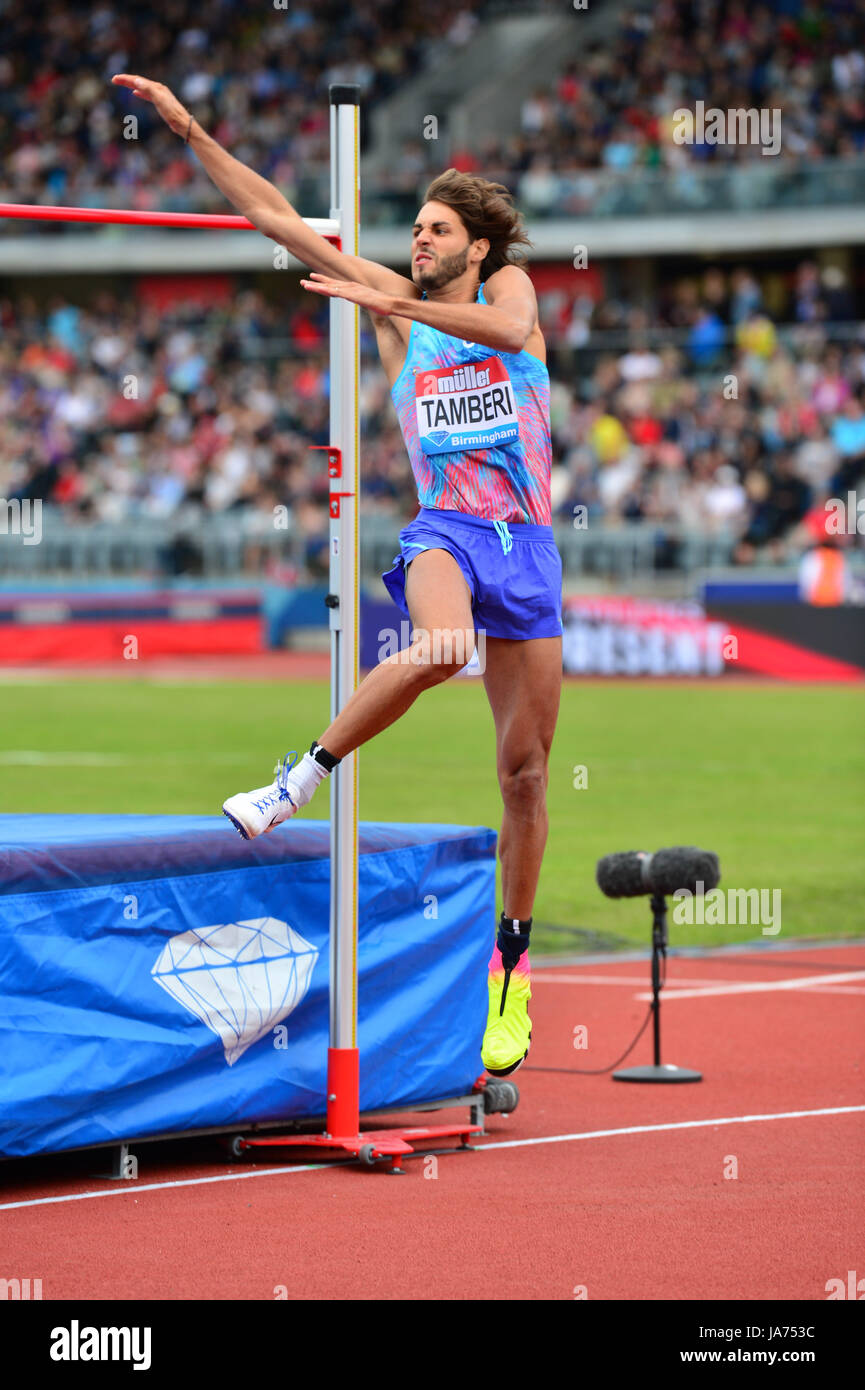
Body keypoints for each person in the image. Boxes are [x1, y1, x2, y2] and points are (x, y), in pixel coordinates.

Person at [111, 73, 563, 1079]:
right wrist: (190, 127)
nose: (420, 241)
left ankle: (512, 966)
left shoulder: (511, 297)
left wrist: (373, 293)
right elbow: (276, 216)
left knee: (526, 775)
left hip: (527, 544)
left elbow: (496, 332)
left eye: (438, 230)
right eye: (416, 229)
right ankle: (296, 779)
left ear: (477, 246)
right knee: (442, 647)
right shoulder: (399, 312)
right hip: (447, 528)